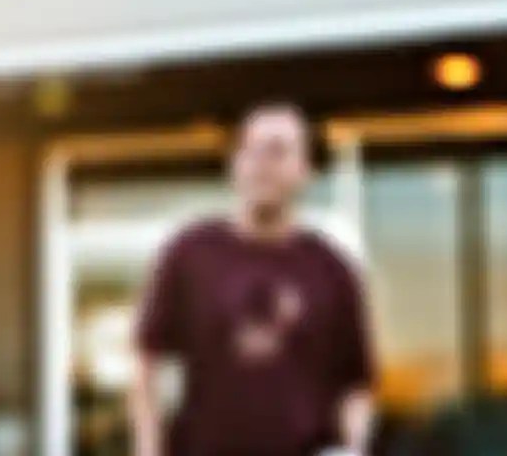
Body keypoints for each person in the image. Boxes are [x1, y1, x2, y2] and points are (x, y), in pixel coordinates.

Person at [129, 103, 376, 456]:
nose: (260, 163)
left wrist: (352, 448)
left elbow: (356, 384)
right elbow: (146, 366)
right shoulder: (190, 253)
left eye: (276, 151)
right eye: (249, 149)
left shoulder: (332, 269)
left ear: (305, 169)